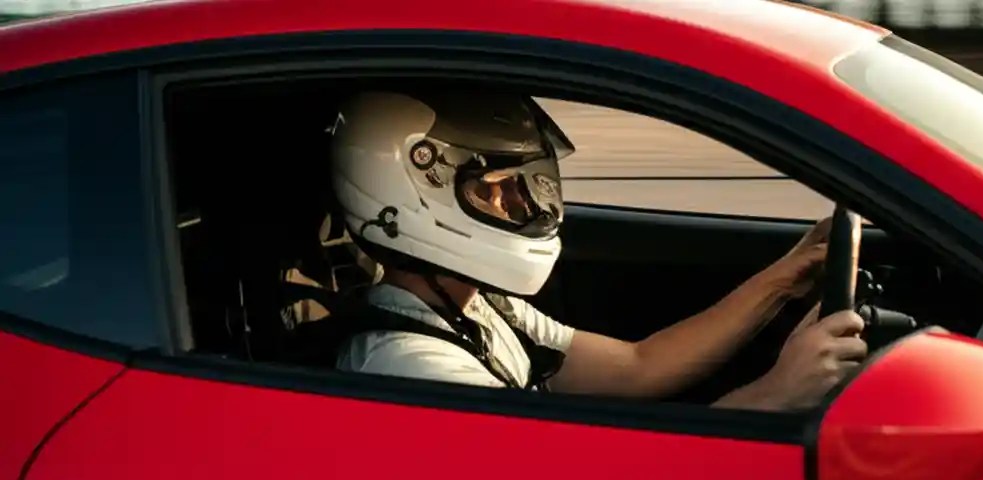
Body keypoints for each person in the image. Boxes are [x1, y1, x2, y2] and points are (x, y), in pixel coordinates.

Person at [330, 90, 867, 411]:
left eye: (525, 185)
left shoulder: (477, 307)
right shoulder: (417, 368)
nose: (524, 206)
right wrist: (777, 394)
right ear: (406, 191)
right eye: (494, 188)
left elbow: (639, 365)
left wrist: (780, 280)